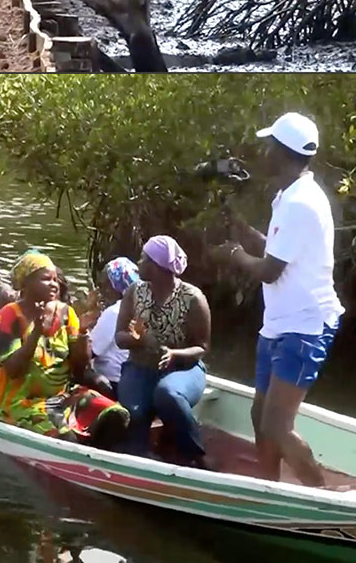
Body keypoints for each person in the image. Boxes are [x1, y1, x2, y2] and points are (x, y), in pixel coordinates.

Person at [218, 112, 345, 487]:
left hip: (305, 325)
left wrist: (234, 254)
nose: (264, 151)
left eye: (269, 145)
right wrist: (241, 227)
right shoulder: (288, 195)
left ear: (283, 151)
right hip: (279, 323)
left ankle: (320, 498)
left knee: (277, 422)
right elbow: (278, 251)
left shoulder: (301, 203)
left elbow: (270, 270)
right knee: (260, 416)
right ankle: (269, 488)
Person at [0, 250, 128, 445]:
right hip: (20, 403)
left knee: (116, 415)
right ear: (25, 284)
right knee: (65, 436)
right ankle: (75, 457)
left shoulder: (67, 314)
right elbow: (12, 369)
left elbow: (79, 370)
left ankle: (97, 461)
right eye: (46, 279)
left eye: (55, 279)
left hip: (61, 398)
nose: (54, 284)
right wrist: (36, 332)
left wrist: (83, 336)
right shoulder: (10, 316)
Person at [115, 235, 212, 466]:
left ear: (157, 266)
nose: (138, 263)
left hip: (184, 369)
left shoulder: (193, 298)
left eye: (143, 259)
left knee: (167, 393)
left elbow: (202, 348)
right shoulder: (134, 292)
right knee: (135, 413)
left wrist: (174, 354)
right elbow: (119, 337)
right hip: (140, 366)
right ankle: (143, 457)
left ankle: (195, 455)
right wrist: (140, 340)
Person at [86, 257, 140, 396]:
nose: (100, 289)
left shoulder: (114, 312)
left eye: (104, 284)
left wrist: (84, 314)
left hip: (113, 383)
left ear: (115, 286)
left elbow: (89, 353)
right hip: (132, 381)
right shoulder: (139, 306)